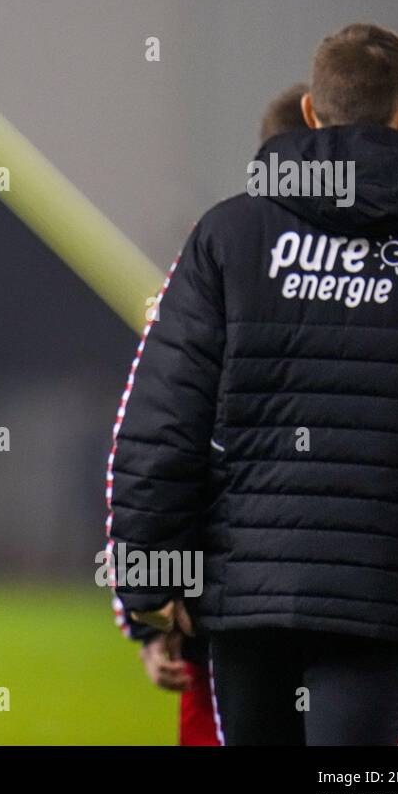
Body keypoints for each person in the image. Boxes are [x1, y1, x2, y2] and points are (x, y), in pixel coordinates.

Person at [107, 23, 398, 745]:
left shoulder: (229, 236)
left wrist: (147, 582)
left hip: (248, 589)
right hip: (386, 585)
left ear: (314, 113)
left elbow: (163, 422)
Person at [131, 81, 309, 747]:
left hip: (233, 592)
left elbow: (156, 442)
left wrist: (151, 605)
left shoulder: (216, 260)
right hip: (377, 600)